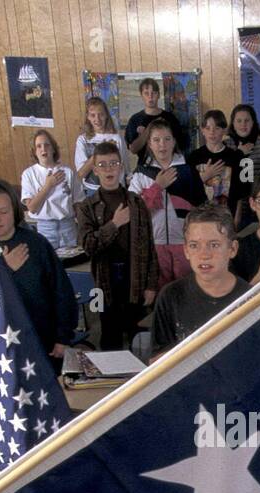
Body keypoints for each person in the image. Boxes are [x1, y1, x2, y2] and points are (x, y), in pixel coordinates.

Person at [0, 179, 78, 363]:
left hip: (42, 340)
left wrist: (63, 337)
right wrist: (5, 270)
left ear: (14, 212)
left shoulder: (36, 244)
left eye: (3, 212)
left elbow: (62, 291)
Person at [74, 141, 158, 350]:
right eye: (102, 165)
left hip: (135, 277)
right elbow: (88, 245)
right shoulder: (87, 207)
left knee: (137, 333)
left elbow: (149, 248)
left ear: (121, 166)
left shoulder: (136, 203)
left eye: (113, 163)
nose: (109, 169)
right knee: (109, 332)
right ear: (95, 170)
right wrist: (114, 224)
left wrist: (151, 284)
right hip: (104, 281)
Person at [151, 204, 251, 355]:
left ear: (233, 249)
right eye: (194, 245)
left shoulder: (251, 299)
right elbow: (157, 360)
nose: (204, 255)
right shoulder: (170, 296)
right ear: (186, 251)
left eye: (214, 245)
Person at [129, 117, 205, 289]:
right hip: (154, 245)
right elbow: (134, 211)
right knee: (160, 293)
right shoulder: (141, 174)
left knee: (187, 290)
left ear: (174, 142)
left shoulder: (187, 171)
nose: (162, 145)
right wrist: (158, 186)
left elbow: (202, 209)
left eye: (167, 139)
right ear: (149, 143)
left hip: (185, 244)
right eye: (156, 140)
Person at [20, 130, 85, 250]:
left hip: (68, 226)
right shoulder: (29, 174)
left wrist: (82, 229)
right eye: (39, 146)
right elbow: (32, 208)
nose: (43, 149)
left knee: (70, 264)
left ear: (53, 149)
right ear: (34, 151)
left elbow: (78, 203)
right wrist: (48, 185)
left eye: (47, 145)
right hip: (45, 228)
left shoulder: (68, 172)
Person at [186, 110, 250, 220]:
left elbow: (240, 197)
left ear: (224, 130)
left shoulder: (235, 157)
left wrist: (235, 223)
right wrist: (205, 176)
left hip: (226, 217)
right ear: (202, 130)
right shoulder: (194, 157)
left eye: (217, 128)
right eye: (208, 128)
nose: (212, 132)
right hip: (200, 218)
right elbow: (187, 190)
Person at [125, 76, 189, 163]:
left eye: (153, 93)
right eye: (146, 93)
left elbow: (179, 145)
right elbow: (133, 149)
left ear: (158, 95)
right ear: (141, 95)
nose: (150, 97)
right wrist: (149, 129)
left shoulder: (170, 118)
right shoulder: (135, 119)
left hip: (168, 165)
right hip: (145, 167)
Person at [75, 96, 128, 194]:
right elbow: (80, 174)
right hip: (92, 190)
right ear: (88, 117)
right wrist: (102, 150)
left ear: (106, 115)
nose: (97, 119)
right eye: (93, 115)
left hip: (116, 189)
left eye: (101, 114)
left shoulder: (116, 138)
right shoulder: (82, 140)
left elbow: (125, 167)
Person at [228, 103, 260, 186]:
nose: (243, 124)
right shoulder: (226, 145)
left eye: (247, 120)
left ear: (253, 122)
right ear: (233, 124)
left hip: (256, 196)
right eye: (239, 121)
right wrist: (239, 153)